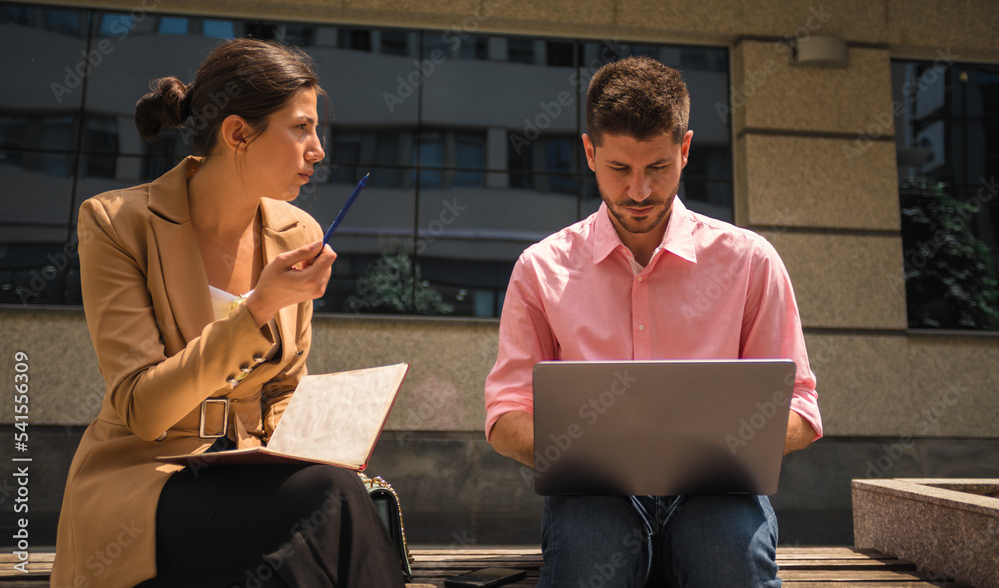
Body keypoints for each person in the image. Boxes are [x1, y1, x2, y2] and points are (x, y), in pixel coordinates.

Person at [51, 38, 405, 588]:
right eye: (301, 128)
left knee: (326, 509)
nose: (319, 149)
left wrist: (329, 432)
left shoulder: (298, 233)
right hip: (143, 487)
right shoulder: (118, 222)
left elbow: (284, 388)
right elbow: (143, 410)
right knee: (325, 503)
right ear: (238, 132)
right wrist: (257, 308)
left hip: (248, 482)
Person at [484, 56, 822, 588]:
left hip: (717, 492)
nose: (638, 192)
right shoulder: (540, 269)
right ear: (590, 153)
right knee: (585, 569)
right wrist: (592, 450)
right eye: (619, 169)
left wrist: (718, 448)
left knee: (729, 564)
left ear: (685, 150)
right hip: (593, 493)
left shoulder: (750, 261)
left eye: (657, 167)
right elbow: (506, 417)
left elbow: (801, 408)